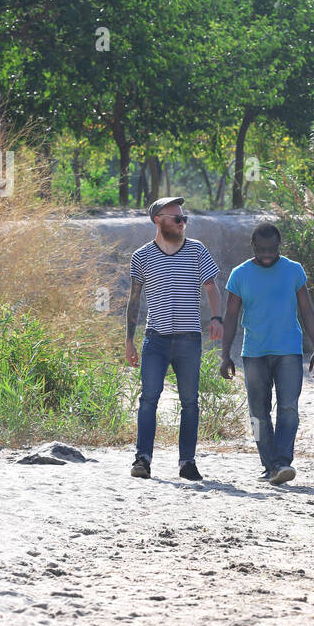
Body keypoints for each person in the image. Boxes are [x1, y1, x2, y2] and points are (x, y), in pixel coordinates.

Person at [125, 197, 224, 481]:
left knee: (190, 402)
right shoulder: (142, 256)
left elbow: (211, 286)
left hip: (189, 339)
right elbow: (134, 301)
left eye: (184, 219)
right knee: (148, 400)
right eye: (176, 219)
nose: (182, 224)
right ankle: (142, 459)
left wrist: (216, 318)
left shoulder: (197, 250)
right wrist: (129, 340)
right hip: (155, 339)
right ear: (158, 219)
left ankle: (187, 462)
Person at [218, 223, 314, 485]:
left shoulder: (293, 270)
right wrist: (225, 355)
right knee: (257, 412)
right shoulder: (240, 274)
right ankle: (269, 464)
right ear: (253, 247)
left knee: (288, 407)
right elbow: (231, 316)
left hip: (288, 350)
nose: (267, 254)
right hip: (254, 353)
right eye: (262, 249)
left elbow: (307, 311)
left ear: (279, 246)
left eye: (273, 249)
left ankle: (282, 462)